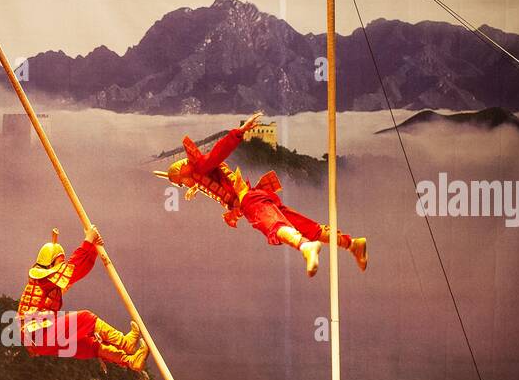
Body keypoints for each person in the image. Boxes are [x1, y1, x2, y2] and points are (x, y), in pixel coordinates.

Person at [154, 112, 368, 277]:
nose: (185, 185)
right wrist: (232, 211)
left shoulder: (200, 167)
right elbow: (221, 186)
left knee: (272, 227)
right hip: (256, 198)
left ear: (183, 173)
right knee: (306, 227)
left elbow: (218, 152)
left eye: (181, 182)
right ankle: (352, 244)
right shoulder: (203, 177)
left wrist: (237, 133)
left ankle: (305, 247)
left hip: (251, 200)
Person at [17, 225, 147, 370]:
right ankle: (125, 343)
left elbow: (76, 271)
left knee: (88, 345)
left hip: (37, 341)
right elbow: (74, 268)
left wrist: (92, 247)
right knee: (86, 318)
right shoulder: (42, 277)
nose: (62, 267)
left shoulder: (45, 281)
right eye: (60, 262)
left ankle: (130, 361)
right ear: (51, 262)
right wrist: (88, 240)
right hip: (38, 333)